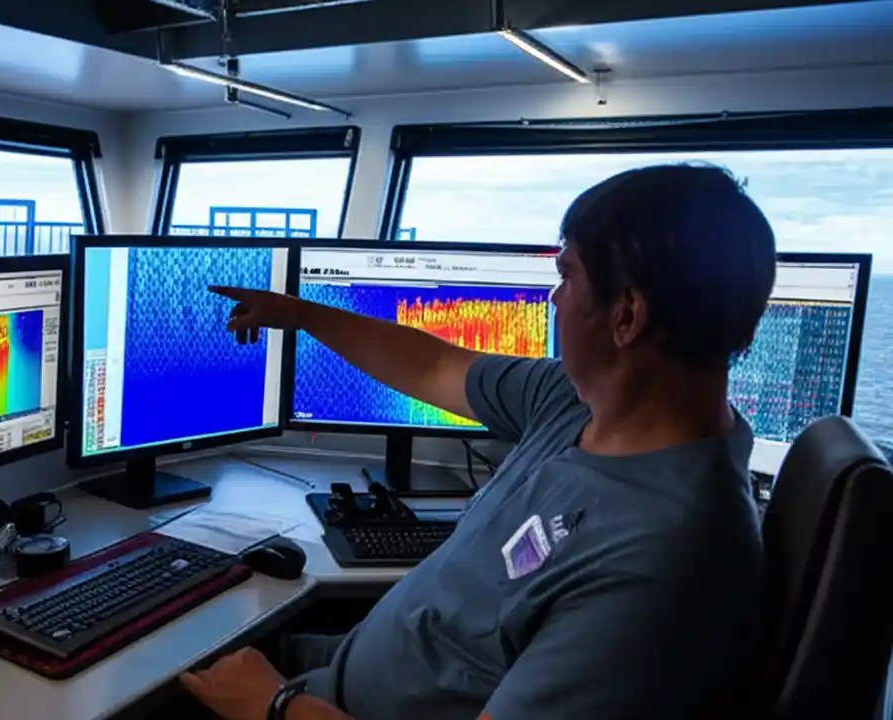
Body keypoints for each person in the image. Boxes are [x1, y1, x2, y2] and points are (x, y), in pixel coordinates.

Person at [183, 164, 775, 720]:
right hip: (331, 673)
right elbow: (434, 365)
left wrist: (274, 707)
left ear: (626, 315)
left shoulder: (663, 561)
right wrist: (301, 314)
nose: (553, 297)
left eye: (566, 275)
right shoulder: (574, 402)